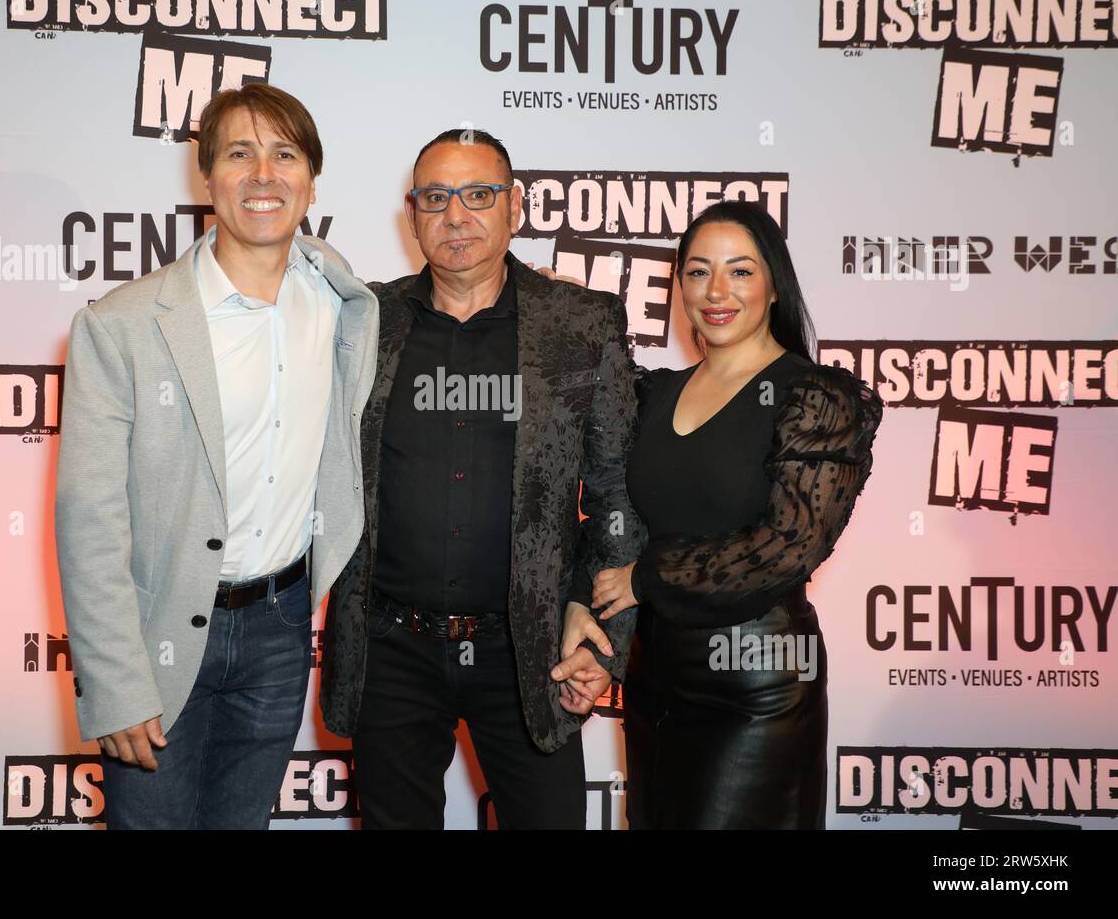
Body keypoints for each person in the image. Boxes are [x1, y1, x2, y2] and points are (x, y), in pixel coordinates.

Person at [54, 82, 378, 829]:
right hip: (161, 630)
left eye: (284, 154)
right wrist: (115, 682)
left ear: (311, 179)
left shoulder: (341, 303)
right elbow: (90, 517)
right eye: (240, 153)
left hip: (281, 626)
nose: (263, 175)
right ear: (206, 176)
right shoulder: (123, 325)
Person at [319, 128, 644, 829]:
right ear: (411, 215)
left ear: (514, 208)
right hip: (392, 648)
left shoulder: (581, 323)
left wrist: (604, 634)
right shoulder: (364, 322)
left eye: (478, 195)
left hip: (527, 648)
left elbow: (618, 491)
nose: (456, 216)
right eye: (435, 198)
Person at [574, 199, 883, 828]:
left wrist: (645, 579)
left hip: (757, 688)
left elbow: (789, 545)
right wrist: (585, 599)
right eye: (697, 272)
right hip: (654, 682)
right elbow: (616, 516)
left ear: (773, 286)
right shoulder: (654, 394)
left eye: (740, 271)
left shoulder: (816, 398)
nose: (716, 291)